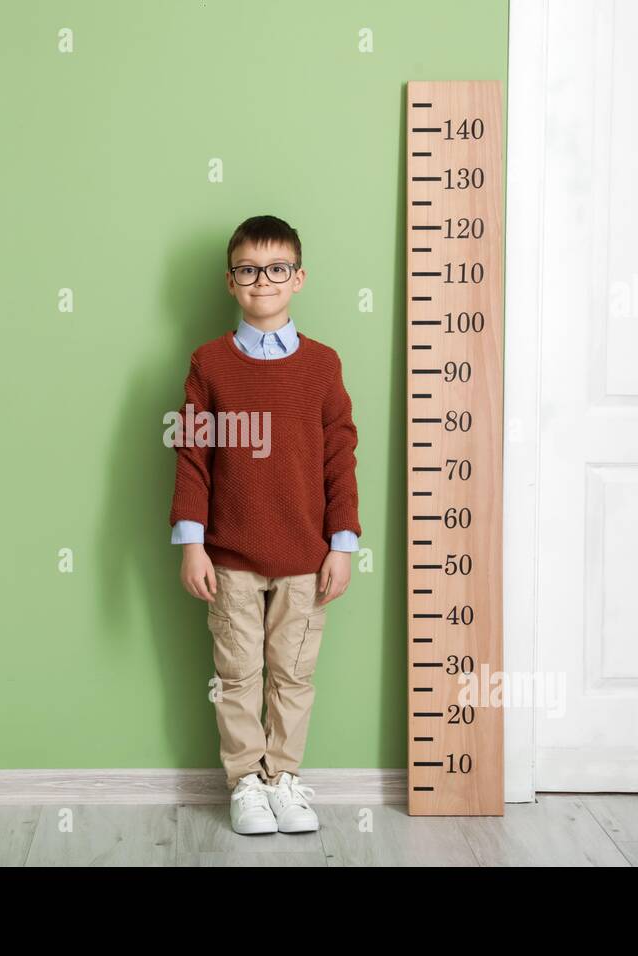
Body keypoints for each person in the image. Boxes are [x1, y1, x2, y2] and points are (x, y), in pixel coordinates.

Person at [168, 214, 361, 835]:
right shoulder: (209, 364)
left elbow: (340, 456)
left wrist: (343, 543)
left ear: (298, 278)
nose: (264, 281)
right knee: (237, 675)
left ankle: (284, 778)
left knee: (293, 674)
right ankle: (245, 782)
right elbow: (193, 455)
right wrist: (192, 544)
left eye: (277, 269)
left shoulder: (324, 366)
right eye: (250, 270)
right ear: (231, 281)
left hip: (307, 557)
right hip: (230, 558)